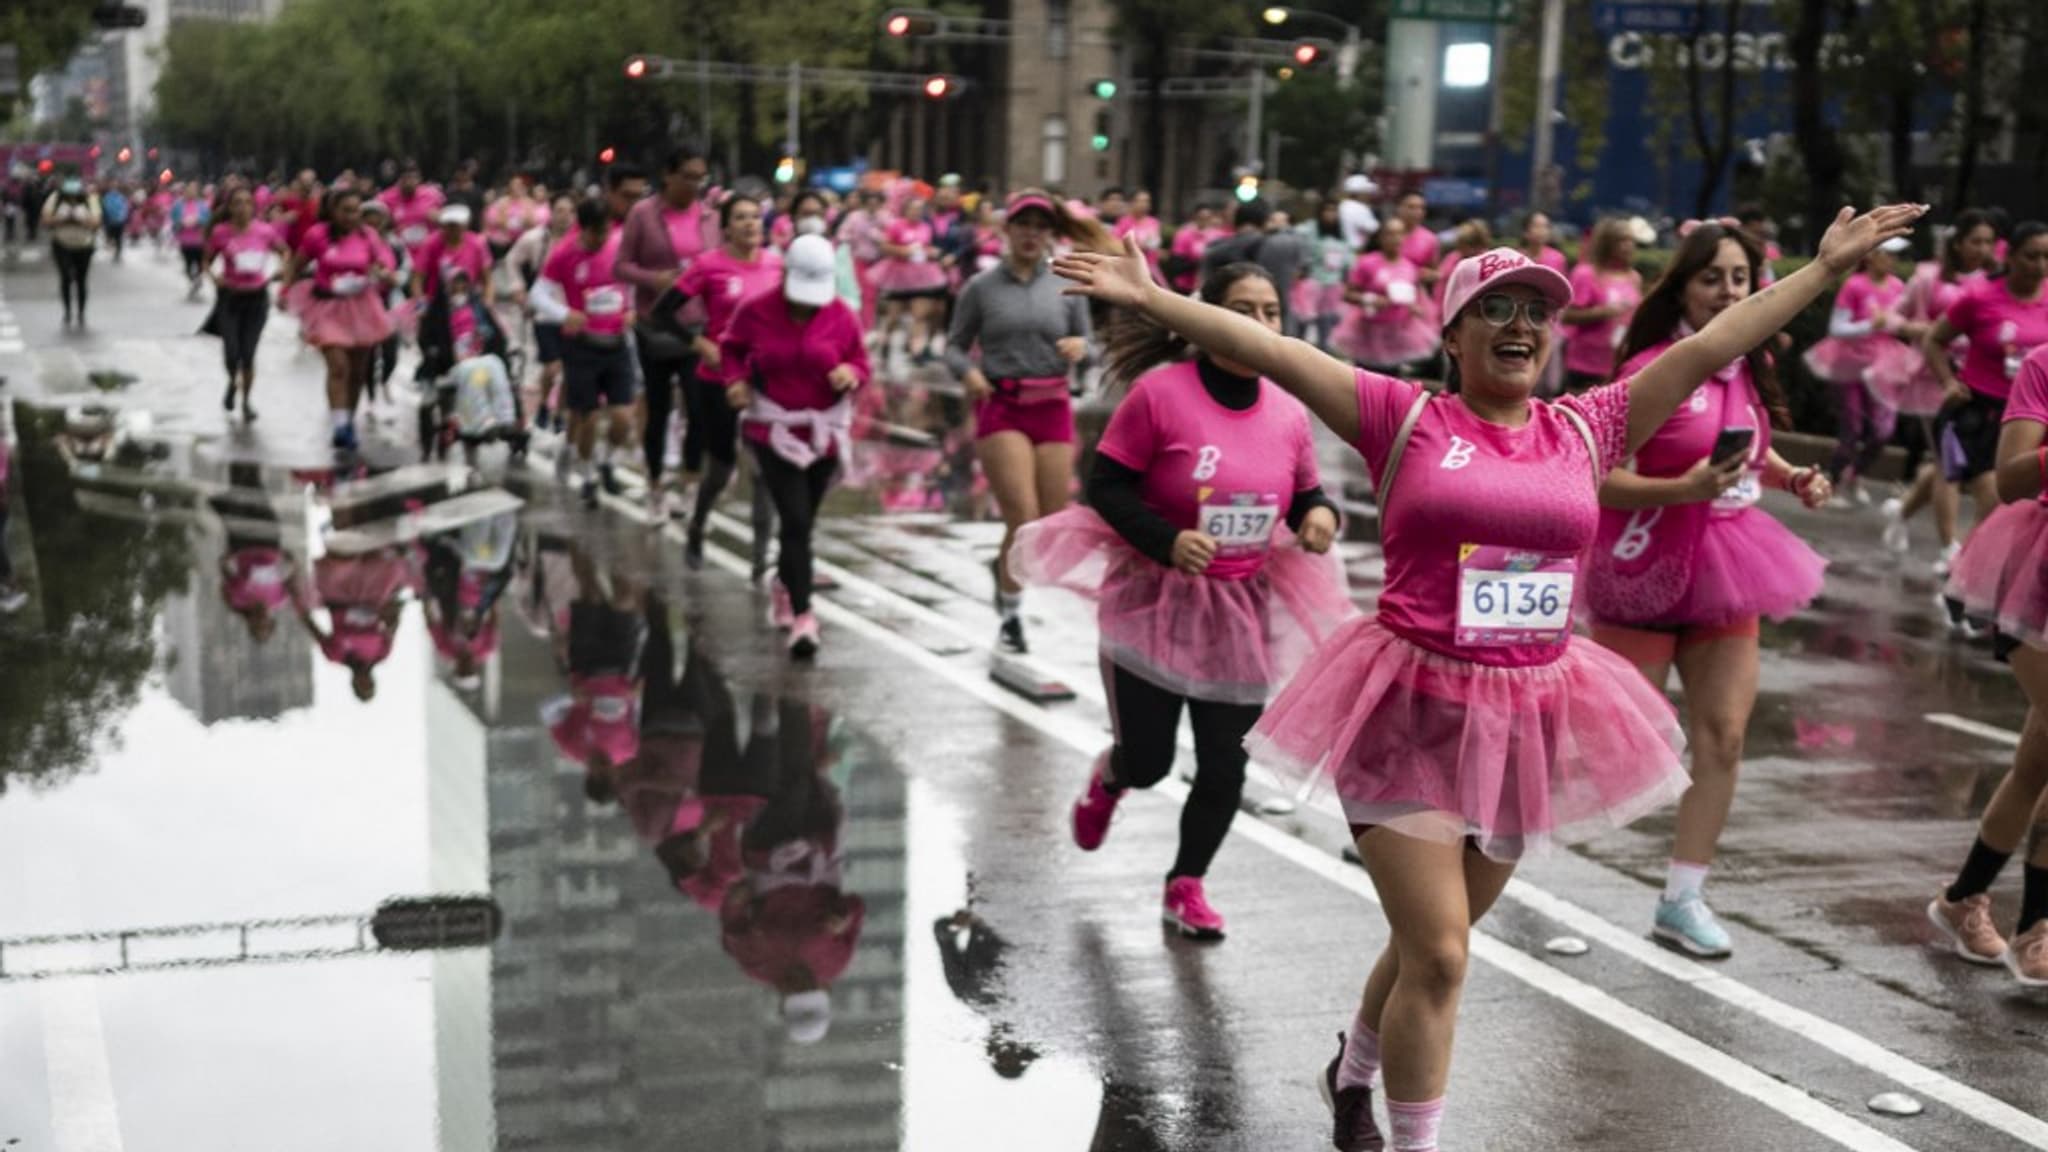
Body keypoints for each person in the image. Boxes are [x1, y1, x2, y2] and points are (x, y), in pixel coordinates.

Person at [1053, 201, 1920, 1152]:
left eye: (1537, 311)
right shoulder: (1403, 415)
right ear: (1454, 335)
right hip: (1406, 711)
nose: (1521, 325)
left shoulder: (1589, 426)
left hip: (1523, 718)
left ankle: (1353, 1073)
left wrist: (1823, 271)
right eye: (1496, 308)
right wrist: (1155, 299)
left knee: (1435, 940)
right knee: (1441, 952)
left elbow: (1715, 342)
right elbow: (1276, 352)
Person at [1010, 262, 1350, 939]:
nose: (1261, 325)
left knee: (1225, 764)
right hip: (1153, 598)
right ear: (1206, 319)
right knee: (1151, 759)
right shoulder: (1160, 394)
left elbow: (1307, 492)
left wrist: (1319, 516)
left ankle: (1186, 884)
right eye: (1243, 311)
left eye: (1271, 312)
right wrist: (1167, 541)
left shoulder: (1287, 409)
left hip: (1241, 607)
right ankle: (1113, 777)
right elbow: (1106, 486)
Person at [1584, 220, 1834, 958]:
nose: (1728, 291)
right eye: (1712, 277)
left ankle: (1683, 898)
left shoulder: (1748, 367)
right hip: (1643, 564)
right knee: (1614, 745)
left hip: (1729, 567)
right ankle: (1481, 824)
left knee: (1723, 735)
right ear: (1682, 290)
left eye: (1740, 278)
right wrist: (1681, 488)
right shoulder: (1653, 370)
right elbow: (1595, 474)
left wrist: (1791, 476)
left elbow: (1749, 452)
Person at [1933, 340, 2048, 987]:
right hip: (2037, 571)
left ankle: (1962, 898)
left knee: (2037, 762)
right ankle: (2037, 927)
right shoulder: (2043, 365)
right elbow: (2010, 479)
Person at [945, 191, 1102, 654]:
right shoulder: (981, 287)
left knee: (1049, 519)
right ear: (1007, 230)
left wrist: (1082, 349)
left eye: (1040, 226)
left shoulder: (1066, 282)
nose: (1031, 234)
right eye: (1023, 225)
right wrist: (969, 373)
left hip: (1052, 403)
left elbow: (1090, 344)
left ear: (1050, 234)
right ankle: (1011, 616)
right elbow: (953, 346)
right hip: (1002, 403)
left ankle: (1002, 569)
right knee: (1022, 517)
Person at [720, 234, 871, 658]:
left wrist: (850, 373)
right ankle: (805, 616)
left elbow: (862, 362)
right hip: (774, 429)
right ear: (785, 274)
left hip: (824, 432)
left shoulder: (841, 315)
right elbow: (731, 348)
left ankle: (784, 582)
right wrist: (736, 382)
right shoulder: (756, 310)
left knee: (802, 524)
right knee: (796, 520)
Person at [1923, 221, 2048, 598]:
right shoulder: (1979, 297)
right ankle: (1949, 550)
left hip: (2029, 418)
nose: (2041, 265)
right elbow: (1934, 339)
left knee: (1992, 497)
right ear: (2010, 257)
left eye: (2047, 257)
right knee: (1952, 475)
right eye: (2032, 256)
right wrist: (1948, 382)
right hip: (1974, 406)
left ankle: (1963, 562)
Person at [1872, 210, 1998, 561]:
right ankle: (1949, 548)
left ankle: (1902, 511)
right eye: (1975, 241)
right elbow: (1891, 317)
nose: (1982, 248)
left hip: (1976, 383)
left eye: (1988, 242)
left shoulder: (1994, 281)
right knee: (1949, 462)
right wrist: (1921, 330)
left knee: (1946, 460)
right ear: (1958, 243)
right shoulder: (1928, 277)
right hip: (1932, 378)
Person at [671, 194, 785, 569]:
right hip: (718, 379)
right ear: (725, 228)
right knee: (721, 469)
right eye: (740, 218)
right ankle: (698, 522)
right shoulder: (708, 265)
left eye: (755, 216)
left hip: (765, 380)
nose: (751, 224)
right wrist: (699, 343)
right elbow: (661, 314)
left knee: (765, 470)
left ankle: (760, 557)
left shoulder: (777, 264)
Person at [616, 150, 714, 514]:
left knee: (698, 409)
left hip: (696, 325)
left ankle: (690, 482)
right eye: (688, 175)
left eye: (700, 177)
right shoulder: (643, 214)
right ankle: (655, 483)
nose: (694, 184)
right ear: (668, 175)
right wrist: (654, 279)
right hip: (654, 326)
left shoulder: (709, 216)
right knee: (658, 411)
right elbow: (621, 266)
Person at [533, 198, 636, 508]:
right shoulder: (564, 254)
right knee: (587, 418)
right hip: (581, 346)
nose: (603, 238)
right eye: (597, 233)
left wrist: (631, 309)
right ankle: (588, 474)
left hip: (617, 343)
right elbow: (538, 294)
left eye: (606, 231)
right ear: (584, 229)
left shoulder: (619, 244)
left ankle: (607, 461)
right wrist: (564, 313)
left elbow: (631, 281)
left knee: (622, 418)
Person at [281, 187, 398, 451]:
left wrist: (385, 273)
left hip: (362, 307)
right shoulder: (318, 235)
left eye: (355, 211)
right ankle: (339, 424)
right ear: (332, 211)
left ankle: (349, 420)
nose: (351, 216)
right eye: (345, 211)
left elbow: (384, 262)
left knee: (357, 371)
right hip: (327, 307)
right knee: (338, 366)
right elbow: (296, 265)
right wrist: (285, 290)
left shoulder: (368, 236)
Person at [1805, 238, 1910, 504]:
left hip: (1882, 365)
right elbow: (1837, 328)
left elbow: (1898, 323)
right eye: (1887, 254)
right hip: (1850, 363)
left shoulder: (1898, 286)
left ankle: (1854, 474)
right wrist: (1870, 325)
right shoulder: (1855, 285)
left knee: (1883, 430)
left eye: (1895, 255)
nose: (1893, 260)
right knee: (1852, 426)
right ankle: (1834, 481)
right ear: (1871, 256)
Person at [203, 185, 289, 421]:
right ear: (229, 208)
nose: (242, 208)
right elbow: (207, 261)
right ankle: (233, 381)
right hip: (230, 299)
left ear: (254, 207)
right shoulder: (220, 232)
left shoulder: (264, 231)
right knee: (232, 353)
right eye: (237, 203)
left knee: (248, 354)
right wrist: (214, 277)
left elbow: (285, 252)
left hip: (257, 299)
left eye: (247, 203)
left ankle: (246, 401)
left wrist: (281, 269)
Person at [507, 193, 577, 433]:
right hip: (544, 313)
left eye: (570, 211)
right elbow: (512, 260)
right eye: (559, 210)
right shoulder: (535, 238)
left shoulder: (579, 240)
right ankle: (545, 405)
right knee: (552, 367)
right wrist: (518, 290)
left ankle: (560, 411)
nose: (564, 216)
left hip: (571, 312)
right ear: (551, 212)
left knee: (570, 369)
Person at [1333, 218, 1438, 373]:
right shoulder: (1367, 263)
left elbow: (1413, 297)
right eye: (1390, 234)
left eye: (1400, 234)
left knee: (1392, 379)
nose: (1396, 238)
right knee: (1366, 380)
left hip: (1397, 336)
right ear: (1381, 238)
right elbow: (1347, 295)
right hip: (1369, 335)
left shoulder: (1409, 267)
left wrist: (1414, 308)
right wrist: (1370, 299)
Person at [1201, 198, 1311, 334]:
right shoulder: (1279, 245)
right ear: (1266, 221)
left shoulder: (1214, 248)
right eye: (1243, 310)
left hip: (1215, 327)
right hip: (1274, 332)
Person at [1561, 218, 1644, 391]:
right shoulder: (1586, 274)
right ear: (1607, 243)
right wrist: (1603, 312)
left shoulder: (1634, 277)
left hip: (1620, 365)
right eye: (1622, 240)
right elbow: (1567, 316)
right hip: (1586, 365)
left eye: (1631, 241)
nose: (1628, 246)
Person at [875, 196, 949, 363]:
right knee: (894, 317)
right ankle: (886, 340)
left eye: (919, 210)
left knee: (920, 315)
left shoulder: (926, 227)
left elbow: (926, 246)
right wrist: (903, 251)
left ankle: (916, 351)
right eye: (913, 209)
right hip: (899, 276)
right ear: (905, 210)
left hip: (921, 275)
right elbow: (885, 246)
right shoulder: (896, 225)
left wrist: (931, 252)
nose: (916, 212)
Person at [42, 177, 100, 328]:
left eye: (75, 196)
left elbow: (96, 222)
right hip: (61, 244)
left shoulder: (90, 199)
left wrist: (80, 219)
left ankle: (81, 312)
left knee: (81, 280)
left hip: (84, 245)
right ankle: (67, 311)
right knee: (65, 278)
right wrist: (62, 219)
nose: (72, 198)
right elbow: (46, 220)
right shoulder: (55, 199)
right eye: (69, 196)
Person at [1298, 199, 1355, 352]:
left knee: (1327, 320)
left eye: (1333, 211)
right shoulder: (1309, 230)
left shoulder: (1342, 235)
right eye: (1327, 210)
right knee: (1305, 318)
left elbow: (1349, 261)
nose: (1330, 214)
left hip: (1333, 284)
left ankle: (1324, 350)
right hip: (1313, 282)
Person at [413, 204, 494, 303]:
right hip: (436, 301)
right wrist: (420, 302)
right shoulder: (430, 243)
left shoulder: (477, 244)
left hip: (469, 299)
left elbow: (487, 280)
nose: (453, 230)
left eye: (456, 225)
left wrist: (487, 303)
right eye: (449, 225)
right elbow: (417, 278)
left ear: (465, 225)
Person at [378, 160, 446, 268]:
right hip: (400, 255)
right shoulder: (386, 198)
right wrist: (390, 227)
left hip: (428, 254)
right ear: (399, 180)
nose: (409, 182)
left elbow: (447, 219)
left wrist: (439, 218)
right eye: (405, 178)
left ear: (419, 179)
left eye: (413, 178)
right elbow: (376, 225)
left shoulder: (433, 195)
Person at [1112, 189, 1164, 284]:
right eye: (1140, 201)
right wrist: (1139, 247)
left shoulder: (1153, 222)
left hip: (1150, 266)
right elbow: (1116, 245)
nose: (1144, 204)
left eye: (1147, 201)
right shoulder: (1123, 222)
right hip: (1131, 266)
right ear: (1131, 203)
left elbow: (1156, 243)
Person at [1393, 191, 1440, 291]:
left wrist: (1429, 275)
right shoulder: (1386, 233)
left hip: (1415, 292)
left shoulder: (1430, 239)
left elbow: (1435, 272)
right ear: (1399, 208)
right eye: (1411, 207)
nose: (1417, 212)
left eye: (1421, 208)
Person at [171, 183, 210, 297]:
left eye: (193, 191)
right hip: (185, 240)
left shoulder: (202, 205)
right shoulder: (178, 205)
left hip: (199, 240)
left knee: (199, 263)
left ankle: (198, 279)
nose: (191, 193)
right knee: (188, 264)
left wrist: (198, 220)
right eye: (188, 191)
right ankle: (193, 280)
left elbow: (208, 218)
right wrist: (181, 222)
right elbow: (173, 219)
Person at [1338, 174, 1381, 252]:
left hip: (1343, 247)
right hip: (1355, 250)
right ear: (1359, 193)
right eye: (1366, 192)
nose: (1369, 195)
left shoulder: (1343, 205)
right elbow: (1373, 228)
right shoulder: (1360, 208)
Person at [99, 182, 130, 263]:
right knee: (112, 237)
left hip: (119, 222)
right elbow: (106, 208)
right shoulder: (107, 197)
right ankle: (114, 251)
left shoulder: (121, 197)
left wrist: (122, 217)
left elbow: (125, 208)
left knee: (118, 238)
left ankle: (117, 253)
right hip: (111, 221)